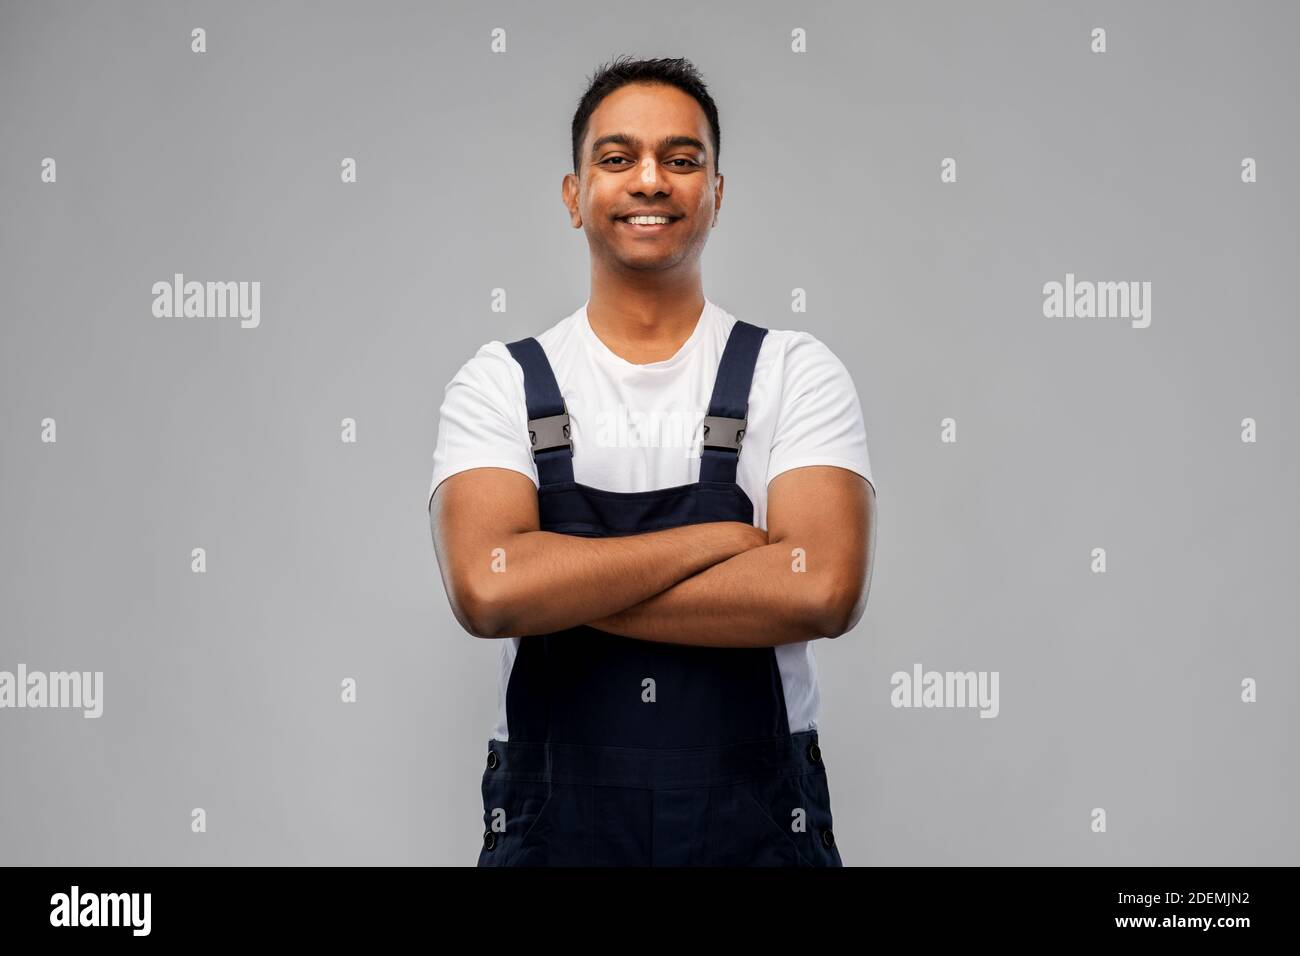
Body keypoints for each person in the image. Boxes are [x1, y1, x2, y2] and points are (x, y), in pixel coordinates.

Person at [427, 55, 877, 866]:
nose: (650, 181)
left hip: (757, 824)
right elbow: (492, 589)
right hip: (552, 824)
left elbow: (822, 587)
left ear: (716, 193)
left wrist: (556, 583)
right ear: (574, 196)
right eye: (616, 157)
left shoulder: (793, 371)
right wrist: (716, 544)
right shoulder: (500, 380)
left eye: (681, 159)